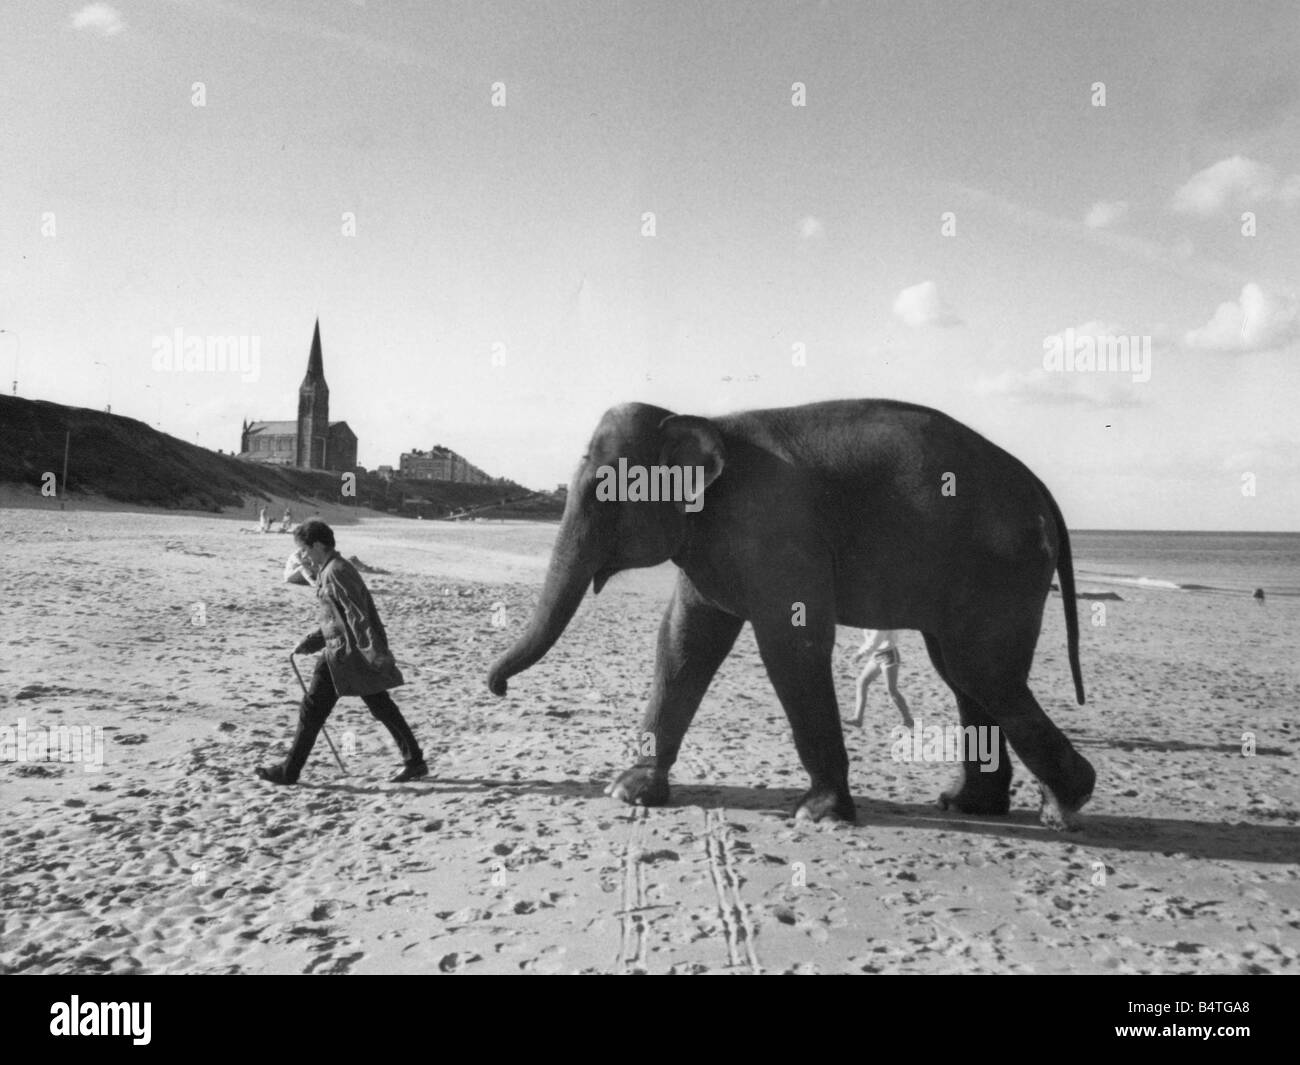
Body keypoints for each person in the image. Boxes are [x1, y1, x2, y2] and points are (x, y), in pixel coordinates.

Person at [257, 519, 428, 785]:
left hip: (347, 656)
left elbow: (357, 615)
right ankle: (414, 761)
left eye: (304, 550)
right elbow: (338, 617)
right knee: (379, 706)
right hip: (343, 652)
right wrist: (312, 641)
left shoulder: (336, 571)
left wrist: (372, 653)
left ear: (317, 545)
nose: (303, 556)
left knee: (314, 710)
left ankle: (289, 771)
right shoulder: (331, 568)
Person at [845, 629, 912, 728]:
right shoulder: (870, 618)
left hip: (889, 655)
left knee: (892, 690)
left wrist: (860, 654)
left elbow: (876, 640)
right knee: (862, 682)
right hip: (876, 655)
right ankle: (858, 718)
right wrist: (859, 651)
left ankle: (908, 719)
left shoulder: (881, 620)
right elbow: (870, 640)